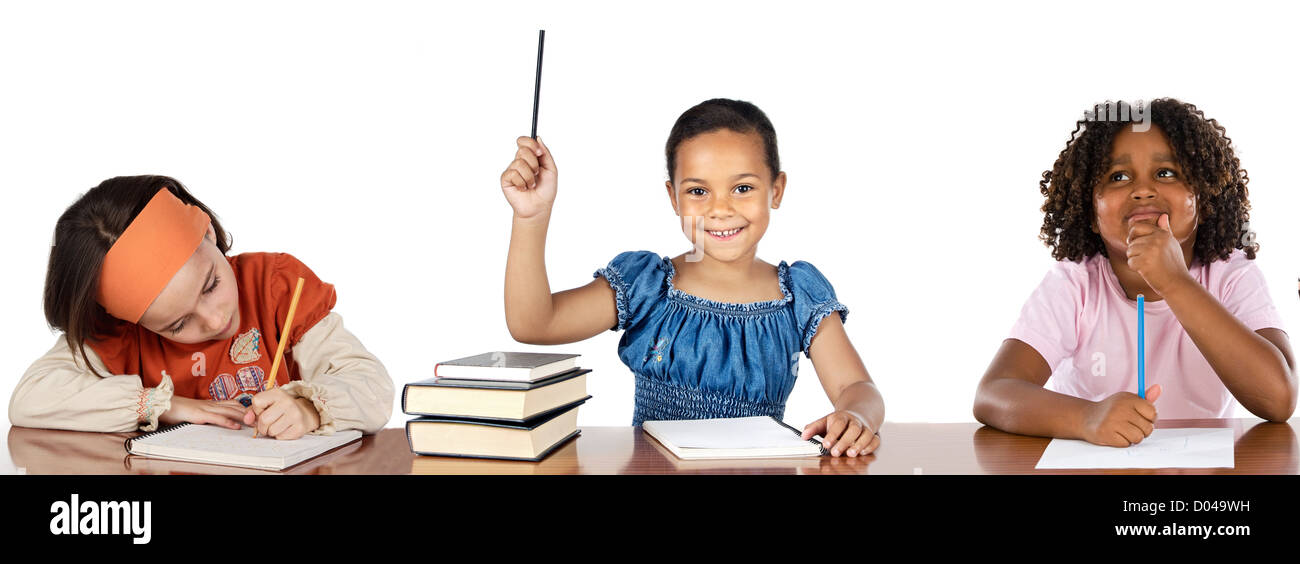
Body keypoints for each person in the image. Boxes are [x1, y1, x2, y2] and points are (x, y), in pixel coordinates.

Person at [500, 99, 884, 457]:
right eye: (698, 190)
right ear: (674, 198)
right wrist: (531, 218)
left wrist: (857, 416)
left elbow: (857, 388)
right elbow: (534, 323)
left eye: (743, 188)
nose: (720, 208)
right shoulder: (647, 287)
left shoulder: (797, 295)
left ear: (776, 190)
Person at [974, 99, 1295, 447]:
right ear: (1090, 211)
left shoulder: (1230, 275)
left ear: (1202, 198)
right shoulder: (1075, 283)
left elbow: (1279, 399)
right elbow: (994, 393)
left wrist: (1174, 281)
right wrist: (1087, 417)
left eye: (1166, 173)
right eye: (1119, 177)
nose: (1143, 190)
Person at [11, 176, 393, 439]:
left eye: (211, 284)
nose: (216, 318)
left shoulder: (276, 286)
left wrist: (310, 410)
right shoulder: (123, 335)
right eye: (178, 325)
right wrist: (163, 405)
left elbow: (373, 388)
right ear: (135, 323)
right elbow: (30, 398)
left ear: (208, 231)